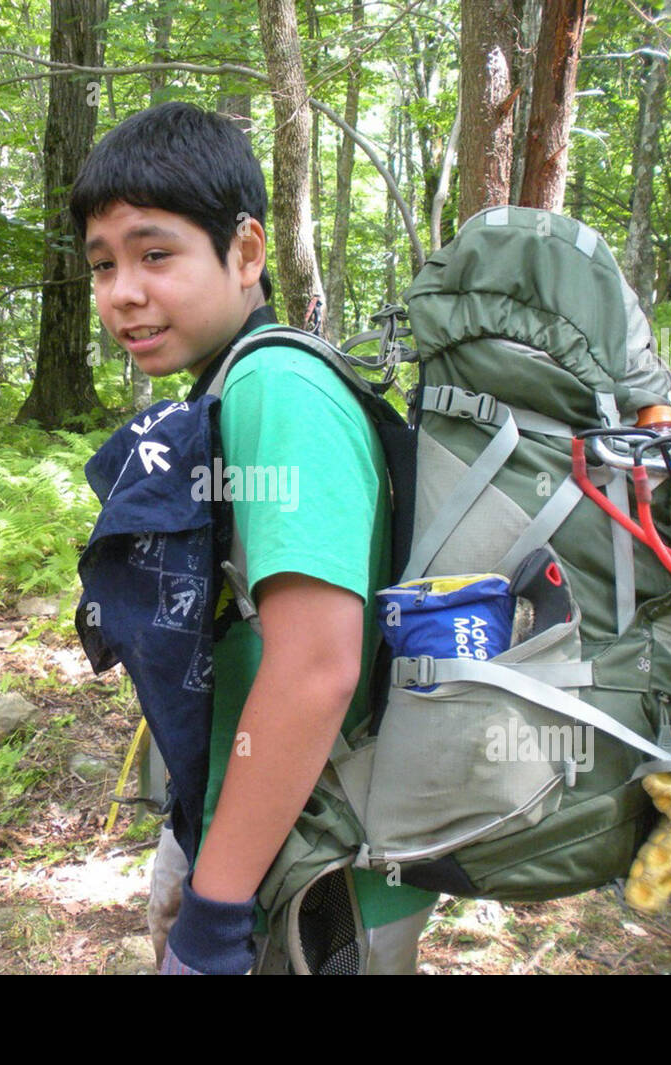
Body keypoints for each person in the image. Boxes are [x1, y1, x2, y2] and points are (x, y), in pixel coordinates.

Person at [69, 101, 437, 974]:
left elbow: (317, 666)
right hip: (269, 844)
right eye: (102, 264)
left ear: (245, 251)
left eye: (156, 254)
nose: (124, 291)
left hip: (318, 881)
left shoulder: (278, 389)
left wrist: (215, 916)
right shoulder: (231, 386)